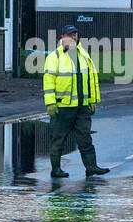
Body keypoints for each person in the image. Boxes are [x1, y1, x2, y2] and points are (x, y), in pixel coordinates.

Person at [43, 24, 109, 179]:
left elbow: (92, 80)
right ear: (62, 37)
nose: (73, 37)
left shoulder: (84, 55)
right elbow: (48, 81)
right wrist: (51, 103)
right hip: (63, 106)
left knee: (85, 138)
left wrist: (92, 101)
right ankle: (56, 169)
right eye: (69, 35)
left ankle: (91, 167)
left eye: (75, 34)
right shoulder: (55, 57)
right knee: (58, 139)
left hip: (82, 106)